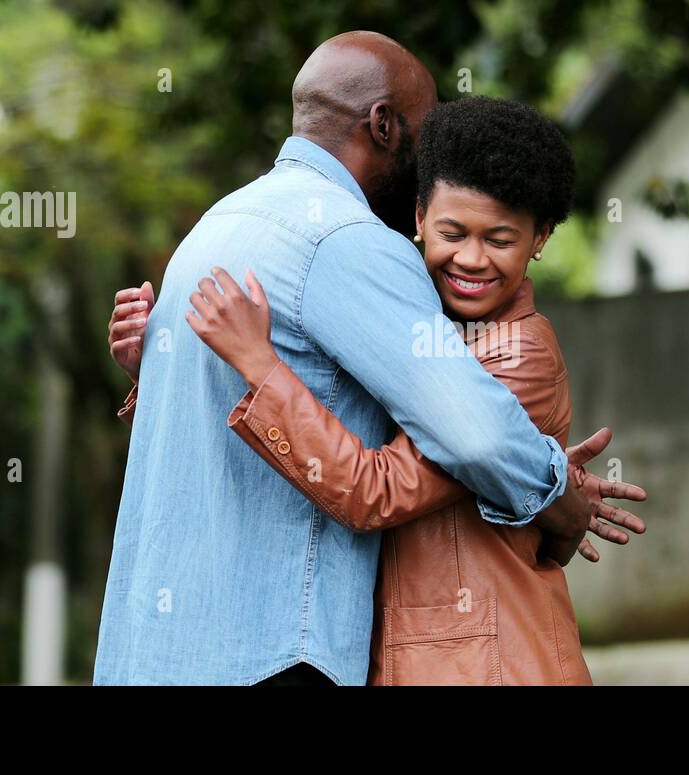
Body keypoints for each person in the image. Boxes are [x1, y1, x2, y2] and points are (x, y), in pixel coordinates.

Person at [94, 32, 642, 686]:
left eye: (498, 238)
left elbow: (454, 445)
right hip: (279, 652)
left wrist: (160, 375)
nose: (470, 256)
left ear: (537, 241)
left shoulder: (217, 227)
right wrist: (561, 497)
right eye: (451, 230)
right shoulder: (348, 241)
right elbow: (474, 436)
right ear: (385, 126)